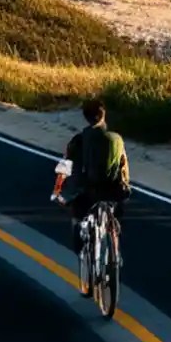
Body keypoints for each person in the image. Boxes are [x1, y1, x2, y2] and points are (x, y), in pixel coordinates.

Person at [52, 98, 132, 253]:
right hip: (113, 192)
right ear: (104, 115)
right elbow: (124, 169)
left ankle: (80, 235)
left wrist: (59, 191)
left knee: (77, 214)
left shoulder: (78, 140)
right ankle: (114, 252)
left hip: (88, 192)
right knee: (116, 220)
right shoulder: (117, 139)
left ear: (85, 116)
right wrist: (125, 189)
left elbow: (66, 166)